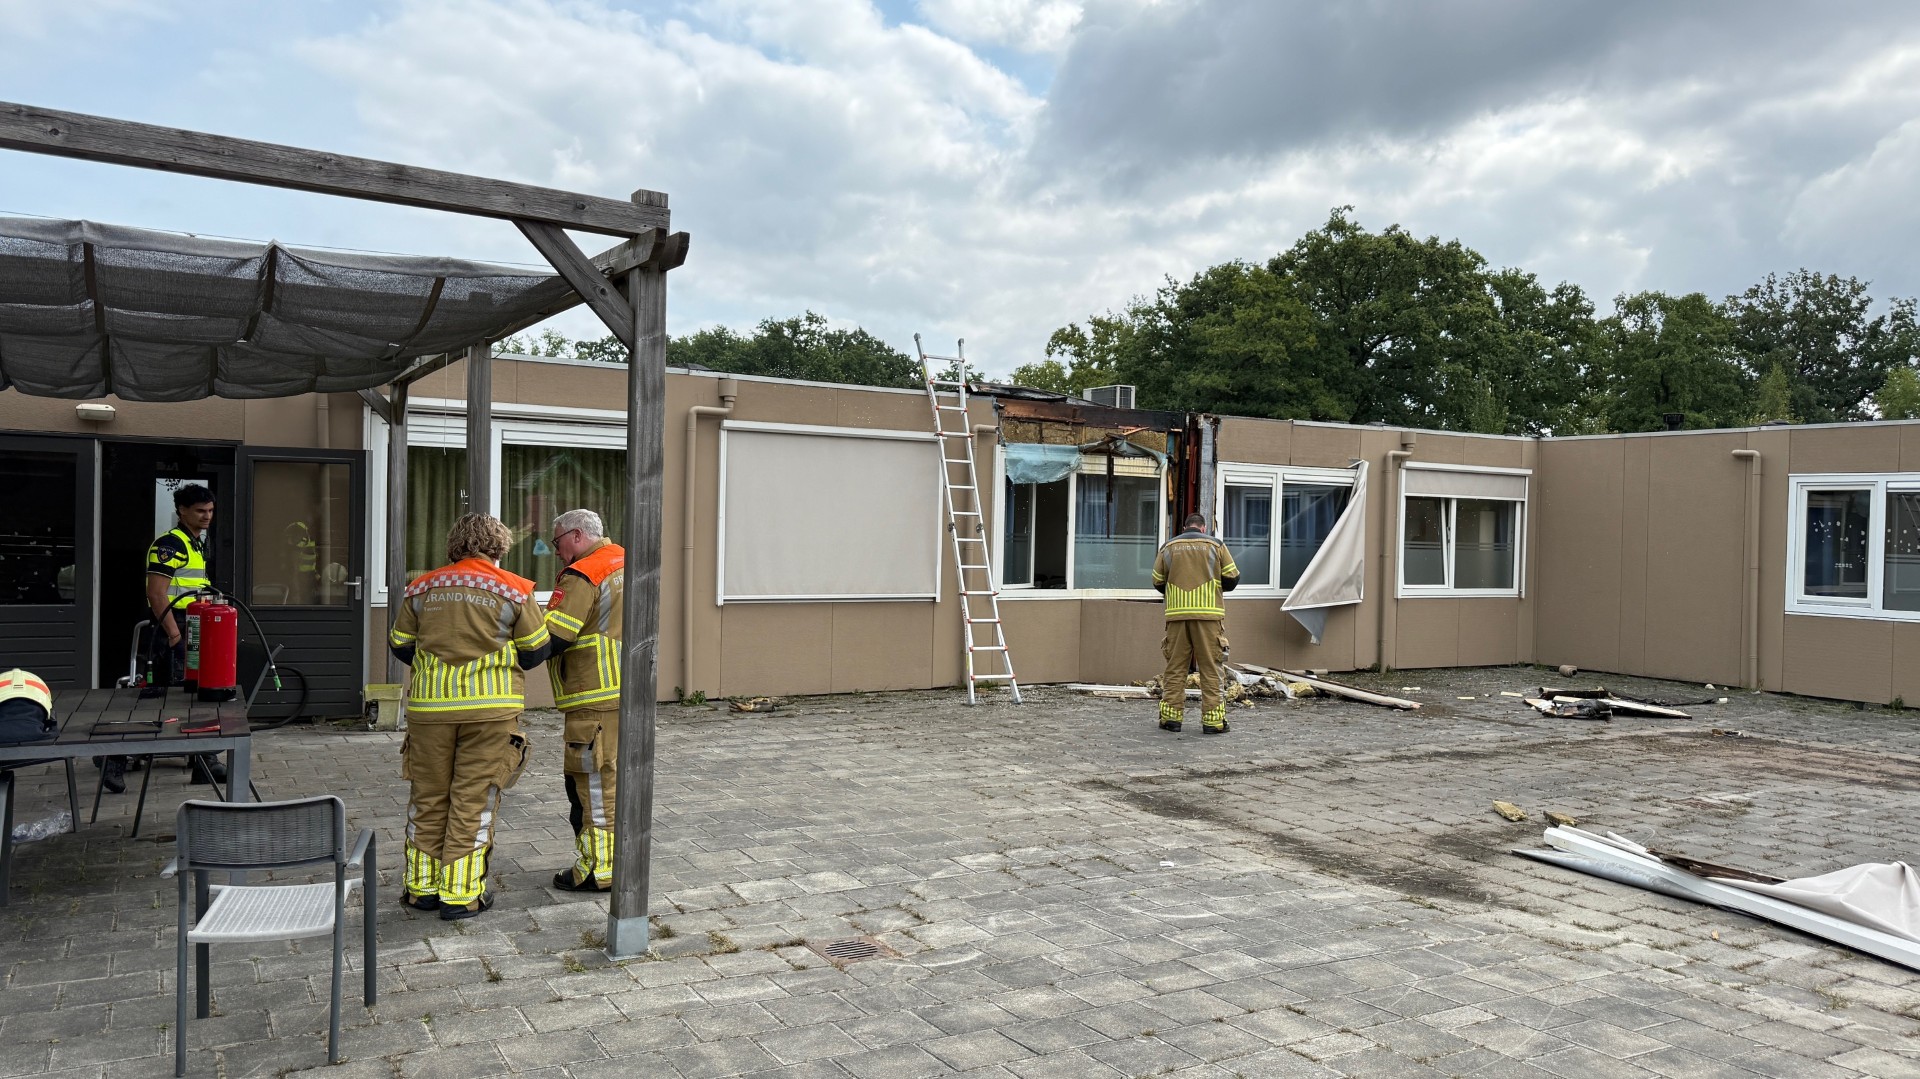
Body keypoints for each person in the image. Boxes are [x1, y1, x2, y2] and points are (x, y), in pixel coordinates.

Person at [389, 514, 550, 920]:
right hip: (489, 712)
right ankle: (460, 894)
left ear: (454, 545)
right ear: (498, 547)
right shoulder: (514, 589)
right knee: (473, 799)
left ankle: (420, 888)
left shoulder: (422, 587)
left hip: (428, 710)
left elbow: (400, 645)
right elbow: (535, 650)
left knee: (427, 796)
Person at [108, 484, 226, 794]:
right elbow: (156, 594)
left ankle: (204, 762)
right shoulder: (170, 545)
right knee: (159, 700)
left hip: (194, 626)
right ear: (182, 511)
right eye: (200, 511)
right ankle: (114, 760)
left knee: (194, 695)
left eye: (210, 511)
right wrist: (175, 635)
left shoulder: (196, 543)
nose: (207, 517)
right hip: (172, 630)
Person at [541, 509, 626, 893]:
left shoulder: (583, 574)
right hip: (629, 692)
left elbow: (555, 636)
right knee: (617, 780)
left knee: (590, 785)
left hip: (592, 694)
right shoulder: (628, 560)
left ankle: (597, 870)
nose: (557, 552)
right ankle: (619, 861)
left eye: (557, 543)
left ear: (576, 536)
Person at [1152, 512, 1240, 735]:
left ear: (1184, 527)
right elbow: (1232, 578)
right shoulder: (1216, 545)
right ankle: (1213, 722)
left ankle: (1171, 719)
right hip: (1209, 617)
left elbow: (1157, 581)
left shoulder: (1168, 547)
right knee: (1211, 668)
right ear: (1203, 528)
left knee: (1175, 668)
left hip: (1177, 616)